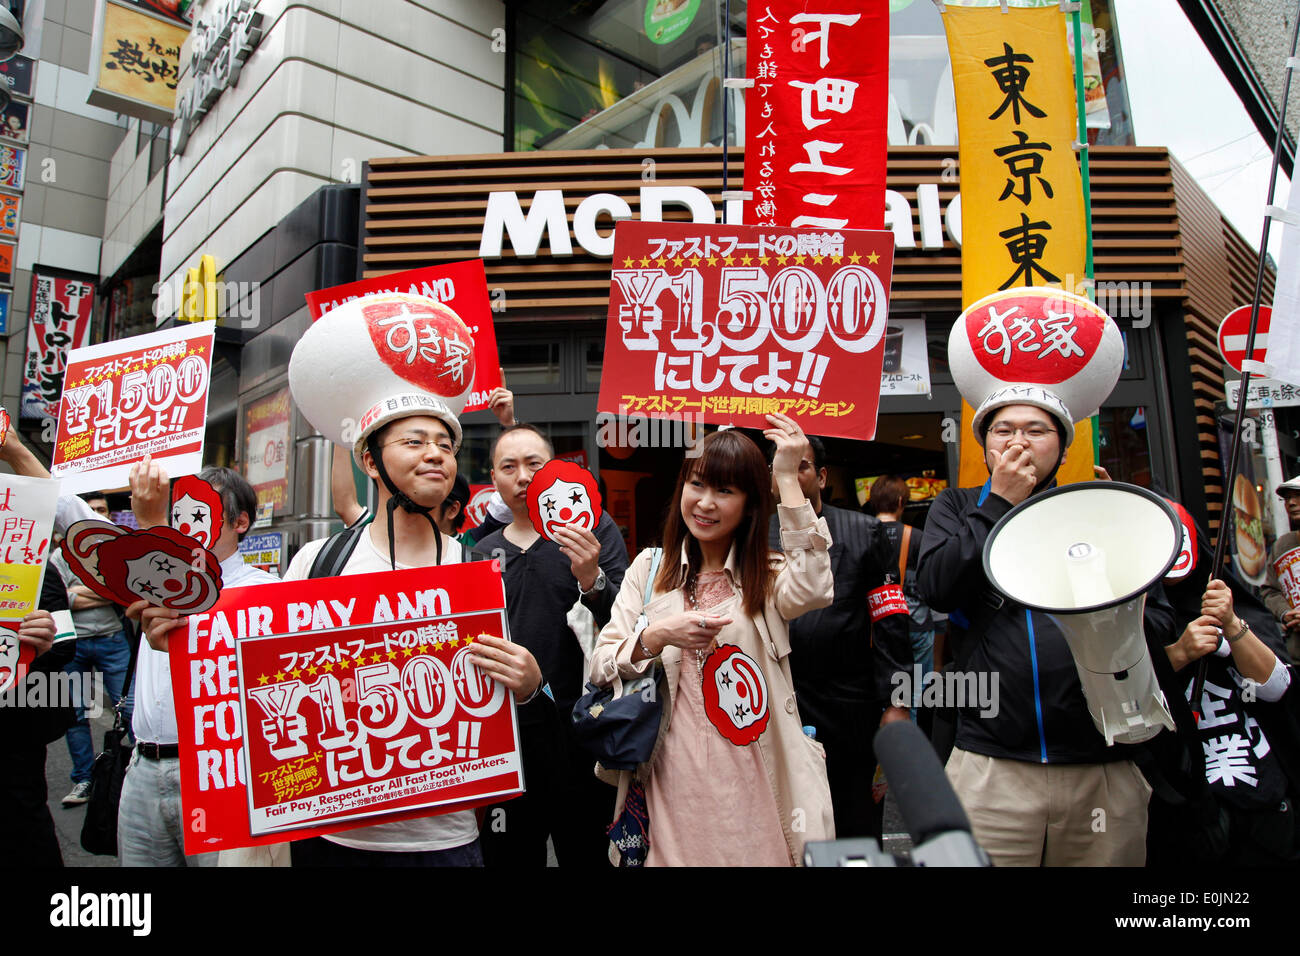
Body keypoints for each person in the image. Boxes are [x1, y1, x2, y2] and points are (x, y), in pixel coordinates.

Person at [141, 370, 543, 867]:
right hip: (333, 839)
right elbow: (254, 681)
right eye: (414, 441)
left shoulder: (478, 576)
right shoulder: (318, 563)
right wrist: (180, 644)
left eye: (445, 444)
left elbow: (504, 700)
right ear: (370, 461)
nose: (435, 454)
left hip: (448, 841)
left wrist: (528, 685)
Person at [917, 396, 1176, 866]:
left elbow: (1158, 619)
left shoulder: (1096, 510)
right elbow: (936, 587)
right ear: (984, 446)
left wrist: (1104, 620)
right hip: (991, 765)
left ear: (1061, 447)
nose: (1018, 440)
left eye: (1036, 431)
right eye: (1003, 430)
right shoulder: (955, 506)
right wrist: (999, 503)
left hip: (1103, 762)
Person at [588, 415, 835, 866]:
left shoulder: (771, 571)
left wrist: (787, 478)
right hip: (670, 773)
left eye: (725, 491)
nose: (705, 502)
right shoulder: (649, 570)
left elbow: (816, 588)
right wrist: (657, 636)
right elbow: (601, 662)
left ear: (749, 504)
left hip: (758, 777)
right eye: (697, 484)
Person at [473, 424, 630, 867]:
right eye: (509, 467)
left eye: (534, 464)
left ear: (555, 472)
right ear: (494, 479)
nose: (522, 477)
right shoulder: (479, 551)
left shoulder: (592, 532)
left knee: (588, 852)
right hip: (506, 739)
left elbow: (627, 623)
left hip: (583, 731)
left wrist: (591, 578)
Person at [121, 463, 280, 866]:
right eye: (177, 516)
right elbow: (71, 512)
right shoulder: (152, 579)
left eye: (200, 514)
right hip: (141, 768)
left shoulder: (265, 593)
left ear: (240, 522)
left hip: (220, 776)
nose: (185, 527)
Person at [765, 437, 911, 839]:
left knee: (854, 823)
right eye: (782, 466)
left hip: (849, 707)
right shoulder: (753, 535)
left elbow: (891, 620)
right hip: (775, 705)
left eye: (802, 466)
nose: (792, 475)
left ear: (823, 476)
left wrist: (897, 701)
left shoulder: (865, 532)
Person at [1154, 578, 1300, 865]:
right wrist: (1177, 654)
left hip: (1260, 794)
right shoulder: (1141, 616)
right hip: (1184, 804)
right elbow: (1120, 700)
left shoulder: (1231, 605)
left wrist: (1233, 625)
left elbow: (1278, 687)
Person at [51, 495, 136, 808]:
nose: (94, 516)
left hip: (113, 640)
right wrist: (101, 592)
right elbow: (61, 598)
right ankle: (84, 779)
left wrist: (82, 594)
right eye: (91, 510)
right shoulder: (58, 559)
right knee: (75, 715)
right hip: (73, 645)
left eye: (100, 511)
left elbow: (119, 589)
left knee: (130, 710)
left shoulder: (110, 555)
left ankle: (137, 770)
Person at [0, 570, 74, 867]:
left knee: (21, 828)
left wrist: (34, 645)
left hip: (14, 733)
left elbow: (65, 646)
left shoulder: (33, 568)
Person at [870, 474, 942, 731]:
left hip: (877, 627)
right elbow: (932, 586)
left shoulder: (863, 533)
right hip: (917, 625)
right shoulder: (918, 538)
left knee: (882, 693)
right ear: (902, 501)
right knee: (914, 695)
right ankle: (909, 747)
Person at [1261, 475, 1300, 660]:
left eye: (1298, 495)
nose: (1291, 502)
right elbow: (1270, 591)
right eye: (1287, 498)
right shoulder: (1282, 546)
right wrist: (1286, 614)